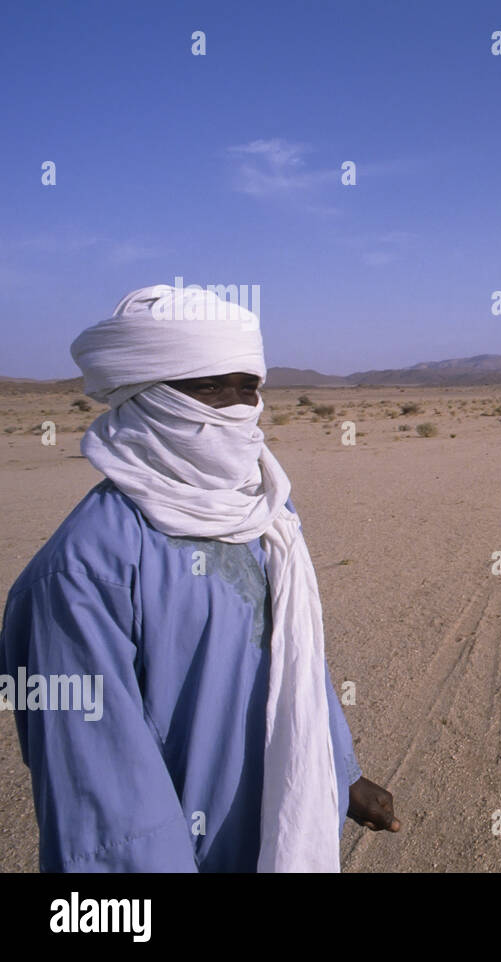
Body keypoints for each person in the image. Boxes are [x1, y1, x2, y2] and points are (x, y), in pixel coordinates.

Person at [0, 284, 399, 872]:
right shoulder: (82, 570)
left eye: (248, 387)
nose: (235, 407)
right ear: (144, 395)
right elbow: (104, 804)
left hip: (280, 819)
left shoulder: (266, 511)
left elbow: (290, 654)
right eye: (208, 386)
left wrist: (341, 772)